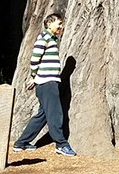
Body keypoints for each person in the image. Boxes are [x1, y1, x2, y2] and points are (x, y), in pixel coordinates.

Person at [13, 12, 77, 157]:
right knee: (55, 113)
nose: (61, 26)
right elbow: (35, 59)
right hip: (47, 83)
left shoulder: (51, 39)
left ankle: (21, 143)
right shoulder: (44, 38)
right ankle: (61, 144)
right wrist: (34, 76)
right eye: (58, 24)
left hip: (47, 82)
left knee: (42, 115)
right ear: (49, 24)